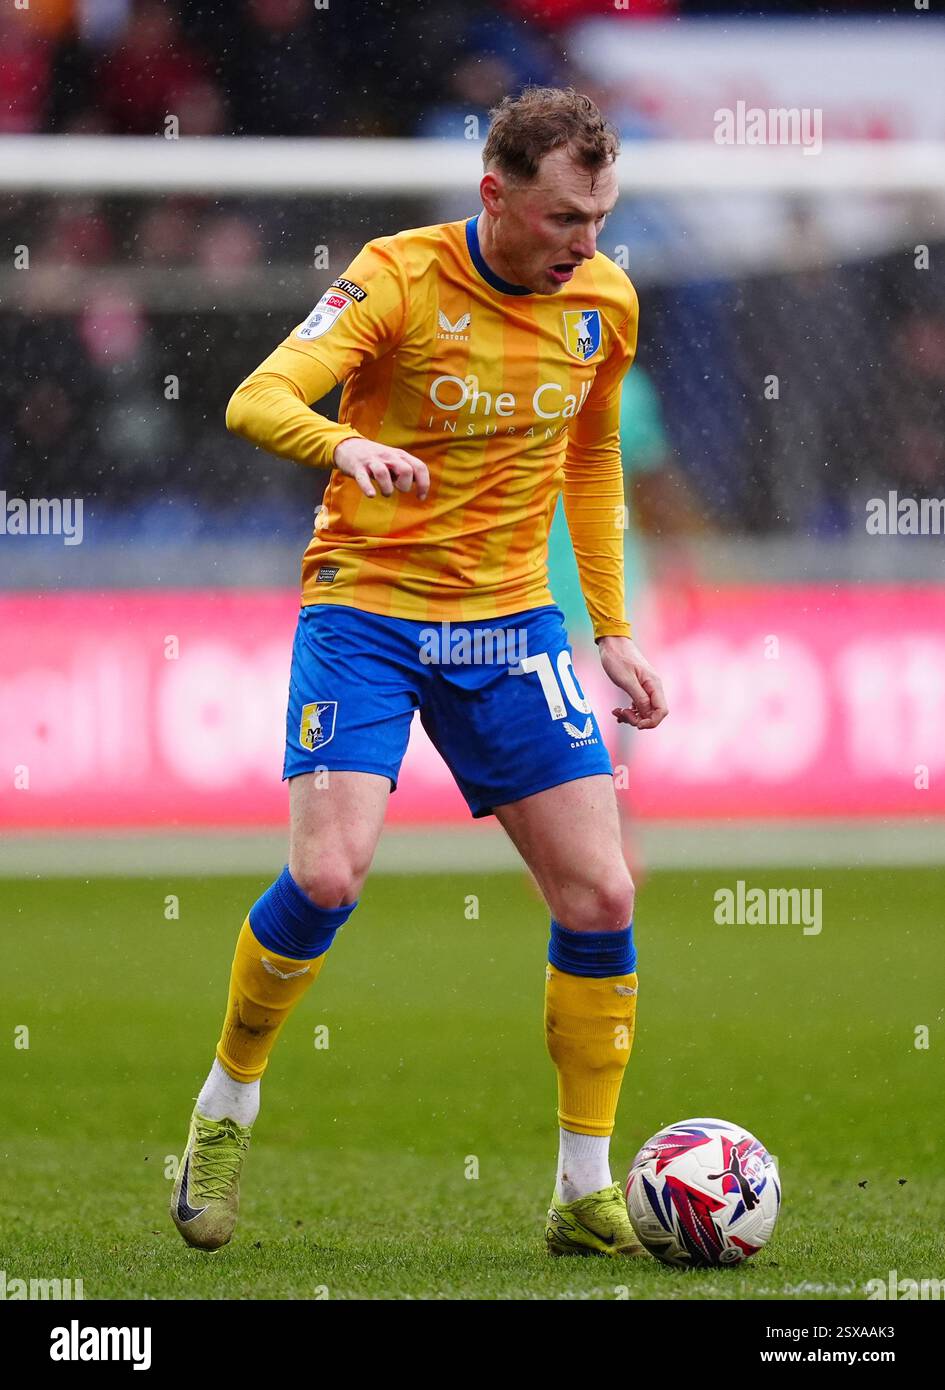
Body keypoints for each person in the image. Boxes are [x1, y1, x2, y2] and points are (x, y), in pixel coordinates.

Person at [170, 85, 668, 1259]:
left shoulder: (604, 300)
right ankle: (226, 1101)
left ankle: (582, 1189)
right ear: (494, 194)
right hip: (370, 612)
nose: (586, 244)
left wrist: (610, 623)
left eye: (599, 218)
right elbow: (258, 396)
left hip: (512, 625)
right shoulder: (396, 276)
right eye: (562, 219)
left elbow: (592, 456)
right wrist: (348, 441)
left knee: (602, 895)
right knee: (331, 875)